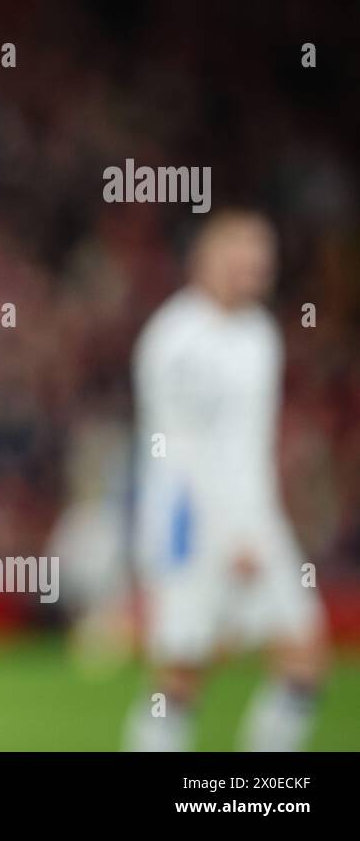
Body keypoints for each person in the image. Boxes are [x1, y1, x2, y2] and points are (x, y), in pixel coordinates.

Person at [124, 210, 328, 751]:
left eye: (261, 262)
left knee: (304, 658)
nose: (253, 272)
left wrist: (258, 522)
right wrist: (231, 535)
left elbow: (250, 447)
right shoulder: (176, 340)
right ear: (204, 261)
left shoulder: (260, 334)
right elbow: (177, 454)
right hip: (192, 527)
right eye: (241, 260)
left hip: (255, 518)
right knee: (183, 671)